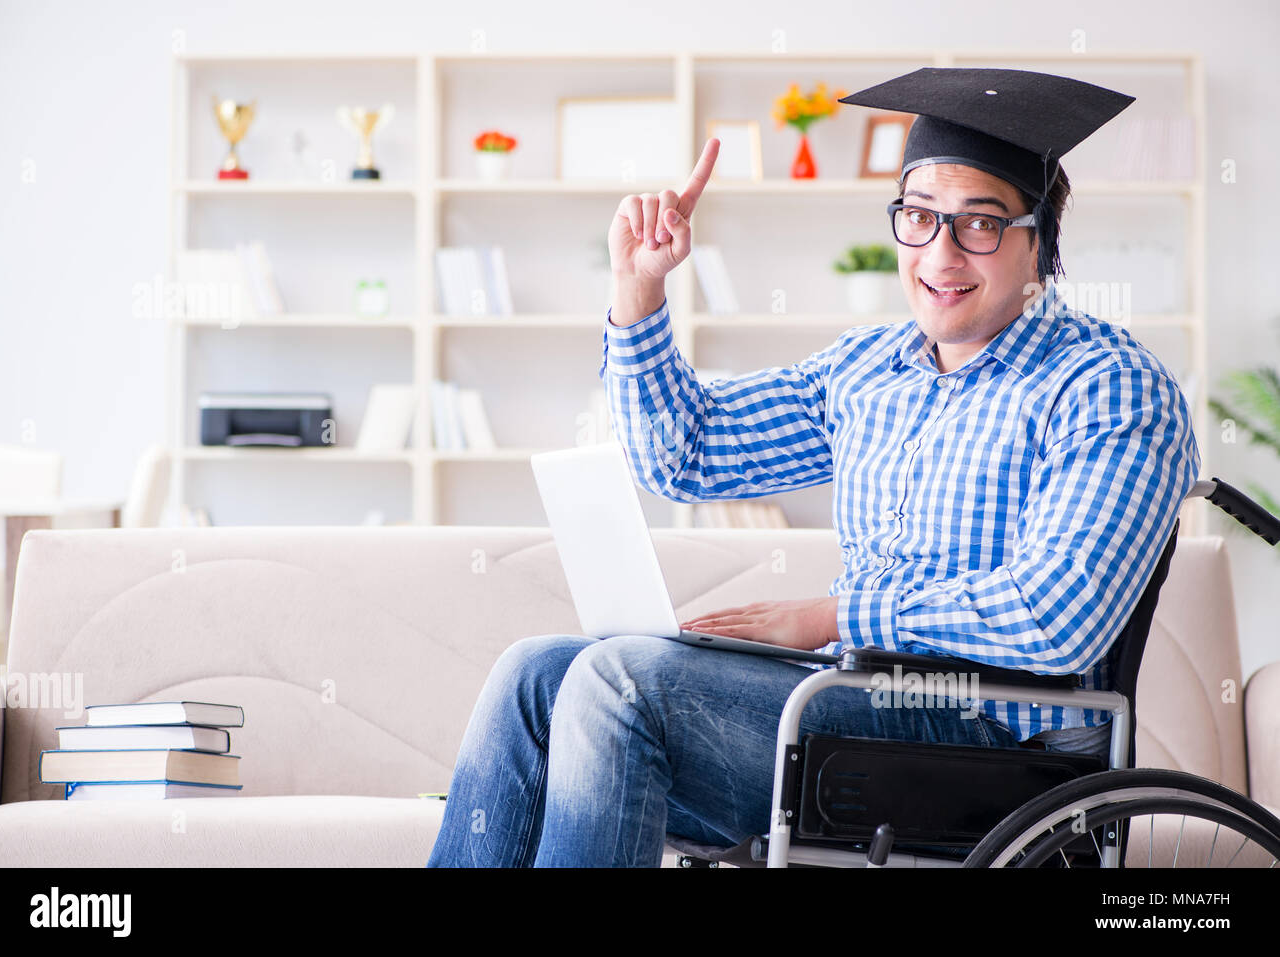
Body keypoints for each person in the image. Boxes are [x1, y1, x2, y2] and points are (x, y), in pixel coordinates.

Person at [426, 68, 1200, 868]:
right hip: (851, 711)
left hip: (989, 748)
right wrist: (639, 292)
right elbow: (684, 454)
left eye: (980, 224)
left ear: (1041, 239)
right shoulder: (868, 370)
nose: (941, 252)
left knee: (621, 683)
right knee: (535, 676)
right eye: (920, 217)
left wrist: (839, 617)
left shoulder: (1109, 387)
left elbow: (1055, 612)